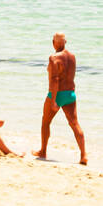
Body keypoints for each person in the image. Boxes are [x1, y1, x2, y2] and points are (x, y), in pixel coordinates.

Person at [33, 32, 87, 164]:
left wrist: (53, 101)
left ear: (53, 43)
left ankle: (43, 151)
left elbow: (55, 80)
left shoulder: (53, 58)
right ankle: (83, 155)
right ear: (65, 42)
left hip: (57, 94)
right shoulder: (73, 57)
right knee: (75, 124)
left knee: (45, 122)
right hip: (70, 94)